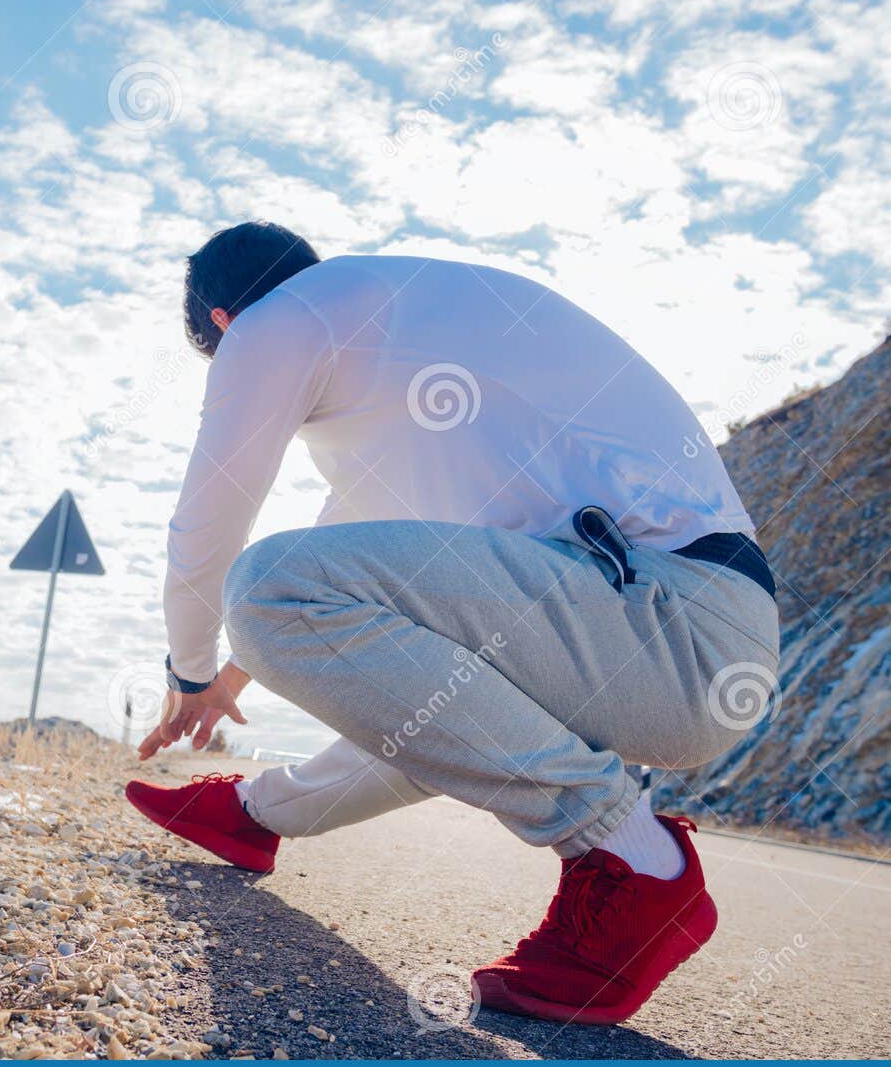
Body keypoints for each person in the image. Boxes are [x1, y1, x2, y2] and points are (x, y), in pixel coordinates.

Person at [125, 221, 780, 1026]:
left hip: (667, 617)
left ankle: (632, 857)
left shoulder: (276, 322)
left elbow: (209, 529)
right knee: (433, 695)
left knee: (262, 586)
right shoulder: (395, 322)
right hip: (692, 630)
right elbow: (353, 556)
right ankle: (257, 814)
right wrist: (233, 678)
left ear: (225, 326)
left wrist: (189, 673)